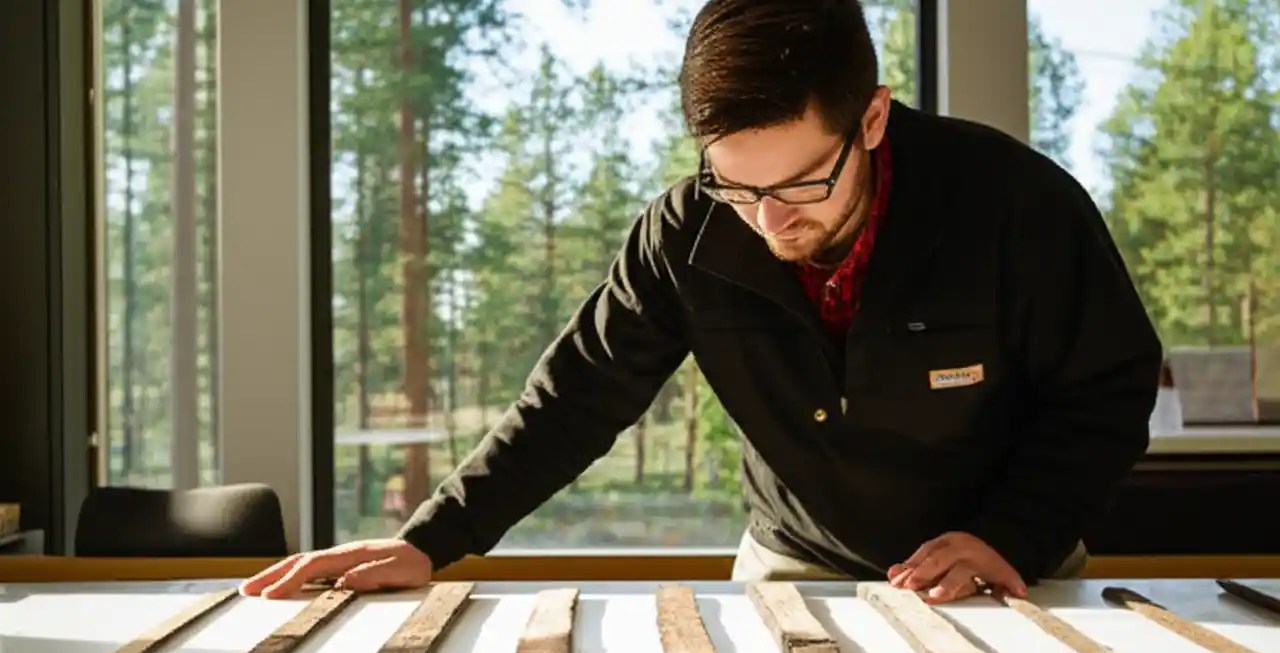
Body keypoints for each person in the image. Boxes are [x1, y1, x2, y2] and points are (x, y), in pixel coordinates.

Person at [241, 0, 1162, 605]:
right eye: (734, 186)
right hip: (794, 569)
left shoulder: (1013, 204)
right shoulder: (685, 233)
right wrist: (431, 541)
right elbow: (574, 399)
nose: (766, 223)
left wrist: (1012, 532)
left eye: (801, 186)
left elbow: (1108, 390)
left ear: (873, 119)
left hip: (1006, 566)